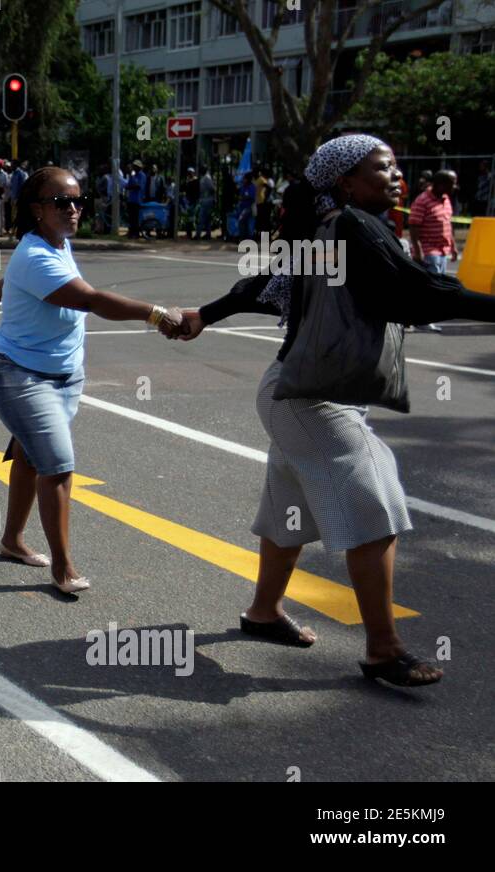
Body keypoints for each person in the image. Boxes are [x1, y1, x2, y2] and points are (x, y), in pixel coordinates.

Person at [175, 135, 495, 687]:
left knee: (287, 512)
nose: (396, 175)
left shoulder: (333, 231)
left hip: (300, 390)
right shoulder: (350, 226)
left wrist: (205, 313)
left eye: (396, 165)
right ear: (345, 182)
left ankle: (263, 613)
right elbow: (418, 293)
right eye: (382, 167)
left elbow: (267, 284)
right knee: (373, 500)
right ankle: (382, 648)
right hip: (307, 398)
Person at [0, 168, 182, 591]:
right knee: (59, 466)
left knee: (32, 456)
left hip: (64, 376)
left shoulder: (54, 244)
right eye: (61, 202)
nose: (73, 209)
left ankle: (11, 539)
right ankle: (63, 567)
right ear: (37, 209)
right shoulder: (36, 255)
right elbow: (91, 299)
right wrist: (155, 314)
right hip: (18, 376)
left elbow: (9, 279)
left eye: (78, 201)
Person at [407, 169, 457, 334]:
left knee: (436, 288)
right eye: (452, 183)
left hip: (443, 250)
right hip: (429, 251)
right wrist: (418, 251)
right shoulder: (423, 201)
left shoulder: (445, 199)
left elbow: (448, 224)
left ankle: (425, 319)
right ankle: (421, 320)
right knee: (429, 288)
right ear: (441, 184)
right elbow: (414, 226)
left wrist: (453, 246)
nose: (454, 187)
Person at [125, 160, 146, 239]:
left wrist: (131, 186)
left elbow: (138, 186)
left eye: (135, 166)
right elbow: (129, 185)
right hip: (131, 199)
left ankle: (136, 233)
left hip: (137, 199)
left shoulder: (142, 175)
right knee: (130, 217)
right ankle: (131, 232)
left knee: (135, 218)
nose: (133, 167)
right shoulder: (133, 175)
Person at [197, 168, 216, 239]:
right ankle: (208, 234)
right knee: (207, 219)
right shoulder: (205, 177)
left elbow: (212, 188)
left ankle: (198, 234)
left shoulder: (207, 178)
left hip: (207, 200)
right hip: (206, 200)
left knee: (201, 218)